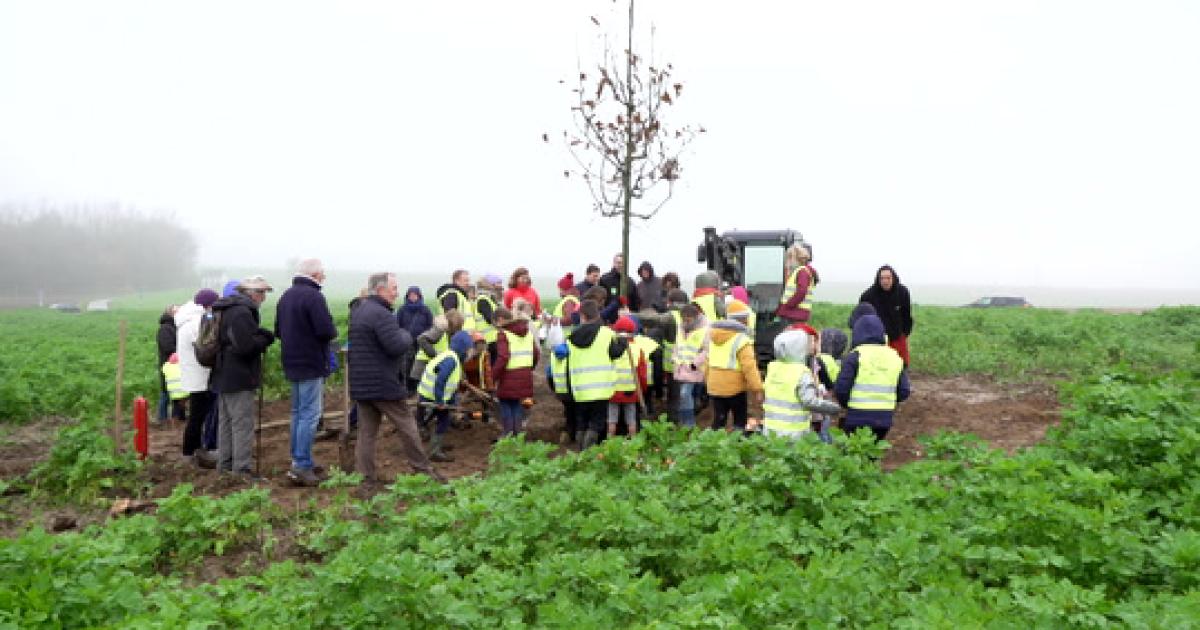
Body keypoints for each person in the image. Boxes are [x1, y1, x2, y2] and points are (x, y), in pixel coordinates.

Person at [349, 272, 443, 483]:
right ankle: (423, 471)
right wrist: (407, 334)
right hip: (383, 382)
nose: (397, 292)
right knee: (407, 425)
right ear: (381, 290)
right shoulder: (381, 314)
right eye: (393, 288)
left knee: (367, 432)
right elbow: (397, 345)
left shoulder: (361, 311)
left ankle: (365, 478)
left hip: (362, 382)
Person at [274, 259, 338, 487]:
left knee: (298, 413)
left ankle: (300, 460)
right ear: (317, 274)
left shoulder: (286, 296)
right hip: (311, 362)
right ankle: (301, 465)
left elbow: (278, 331)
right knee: (310, 414)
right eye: (323, 273)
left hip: (291, 362)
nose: (324, 277)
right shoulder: (314, 297)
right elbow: (326, 331)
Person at [210, 276, 277, 480]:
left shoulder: (225, 308)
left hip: (222, 372)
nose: (264, 297)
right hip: (238, 375)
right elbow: (245, 346)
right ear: (253, 293)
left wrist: (258, 334)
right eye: (263, 293)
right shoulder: (242, 312)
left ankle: (225, 466)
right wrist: (265, 338)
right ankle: (242, 470)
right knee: (242, 424)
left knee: (227, 422)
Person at [555, 300, 629, 448]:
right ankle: (588, 451)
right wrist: (623, 343)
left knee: (582, 421)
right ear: (597, 314)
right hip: (600, 388)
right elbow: (615, 354)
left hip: (580, 388)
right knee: (596, 423)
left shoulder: (572, 336)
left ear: (582, 316)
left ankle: (580, 450)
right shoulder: (606, 334)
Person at [751, 329, 842, 440]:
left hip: (771, 429)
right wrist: (834, 408)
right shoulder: (802, 372)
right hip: (794, 431)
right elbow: (809, 401)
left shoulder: (773, 368)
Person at [834, 313, 910, 442]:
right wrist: (889, 401)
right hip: (883, 419)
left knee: (852, 453)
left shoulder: (855, 355)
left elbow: (841, 388)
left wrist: (846, 405)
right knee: (873, 452)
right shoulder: (894, 357)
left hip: (856, 416)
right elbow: (904, 391)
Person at [176, 288, 219, 468]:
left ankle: (196, 450)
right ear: (208, 305)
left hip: (193, 375)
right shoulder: (196, 322)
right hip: (200, 376)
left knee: (197, 416)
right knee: (197, 418)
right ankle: (189, 453)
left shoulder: (185, 321)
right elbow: (207, 347)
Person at [415, 330, 474, 462]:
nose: (470, 354)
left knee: (435, 418)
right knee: (443, 420)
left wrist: (452, 402)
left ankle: (435, 445)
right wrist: (440, 401)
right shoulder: (451, 360)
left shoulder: (449, 356)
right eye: (469, 350)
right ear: (463, 349)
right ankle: (434, 451)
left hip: (428, 393)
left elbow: (443, 378)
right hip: (432, 395)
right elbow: (440, 380)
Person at [705, 300, 763, 433]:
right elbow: (750, 368)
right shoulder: (741, 340)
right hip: (734, 388)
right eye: (746, 319)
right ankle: (737, 447)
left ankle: (711, 446)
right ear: (742, 320)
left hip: (715, 386)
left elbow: (707, 364)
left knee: (719, 420)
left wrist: (708, 383)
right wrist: (757, 389)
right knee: (739, 421)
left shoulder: (713, 337)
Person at [491, 307, 539, 439]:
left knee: (505, 403)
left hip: (508, 375)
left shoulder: (504, 334)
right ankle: (517, 434)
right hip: (525, 374)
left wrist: (493, 377)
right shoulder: (527, 333)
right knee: (516, 403)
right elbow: (536, 354)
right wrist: (529, 369)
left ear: (500, 320)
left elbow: (503, 358)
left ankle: (508, 434)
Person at [858, 265, 913, 365]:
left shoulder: (902, 292)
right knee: (880, 366)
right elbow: (862, 319)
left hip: (897, 337)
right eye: (882, 278)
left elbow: (907, 315)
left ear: (893, 278)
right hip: (876, 341)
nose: (885, 281)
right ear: (878, 279)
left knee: (901, 365)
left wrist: (904, 334)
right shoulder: (868, 296)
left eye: (888, 278)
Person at [608, 315, 646, 438]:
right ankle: (633, 441)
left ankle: (610, 442)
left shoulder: (611, 347)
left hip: (612, 390)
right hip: (630, 390)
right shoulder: (637, 348)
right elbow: (642, 373)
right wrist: (642, 390)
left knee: (612, 419)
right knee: (631, 419)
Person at [672, 303, 709, 428]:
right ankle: (684, 421)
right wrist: (675, 358)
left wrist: (695, 364)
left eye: (688, 319)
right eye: (684, 319)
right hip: (681, 367)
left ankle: (689, 423)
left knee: (685, 394)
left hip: (693, 369)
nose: (686, 322)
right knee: (683, 396)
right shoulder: (680, 327)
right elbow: (677, 345)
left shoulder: (705, 329)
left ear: (695, 317)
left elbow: (707, 350)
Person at [814, 327, 849, 442]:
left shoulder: (814, 357)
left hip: (812, 396)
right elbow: (836, 383)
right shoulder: (831, 360)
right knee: (824, 425)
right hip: (825, 397)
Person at [396, 286, 433, 389]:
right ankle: (409, 387)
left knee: (420, 364)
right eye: (410, 295)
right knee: (407, 364)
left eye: (414, 295)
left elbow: (430, 325)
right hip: (407, 342)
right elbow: (397, 325)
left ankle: (420, 386)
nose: (412, 297)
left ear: (419, 296)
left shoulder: (425, 310)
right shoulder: (402, 309)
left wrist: (425, 336)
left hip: (421, 342)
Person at [155, 304, 184, 423]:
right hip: (168, 365)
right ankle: (162, 418)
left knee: (177, 392)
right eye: (177, 311)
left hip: (176, 365)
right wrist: (179, 351)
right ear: (171, 314)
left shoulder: (175, 327)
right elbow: (167, 347)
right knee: (166, 392)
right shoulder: (165, 328)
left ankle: (176, 416)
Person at [776, 244, 817, 324]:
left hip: (794, 315)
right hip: (794, 314)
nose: (788, 261)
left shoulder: (802, 272)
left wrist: (788, 305)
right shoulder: (800, 271)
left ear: (795, 258)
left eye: (789, 258)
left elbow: (801, 291)